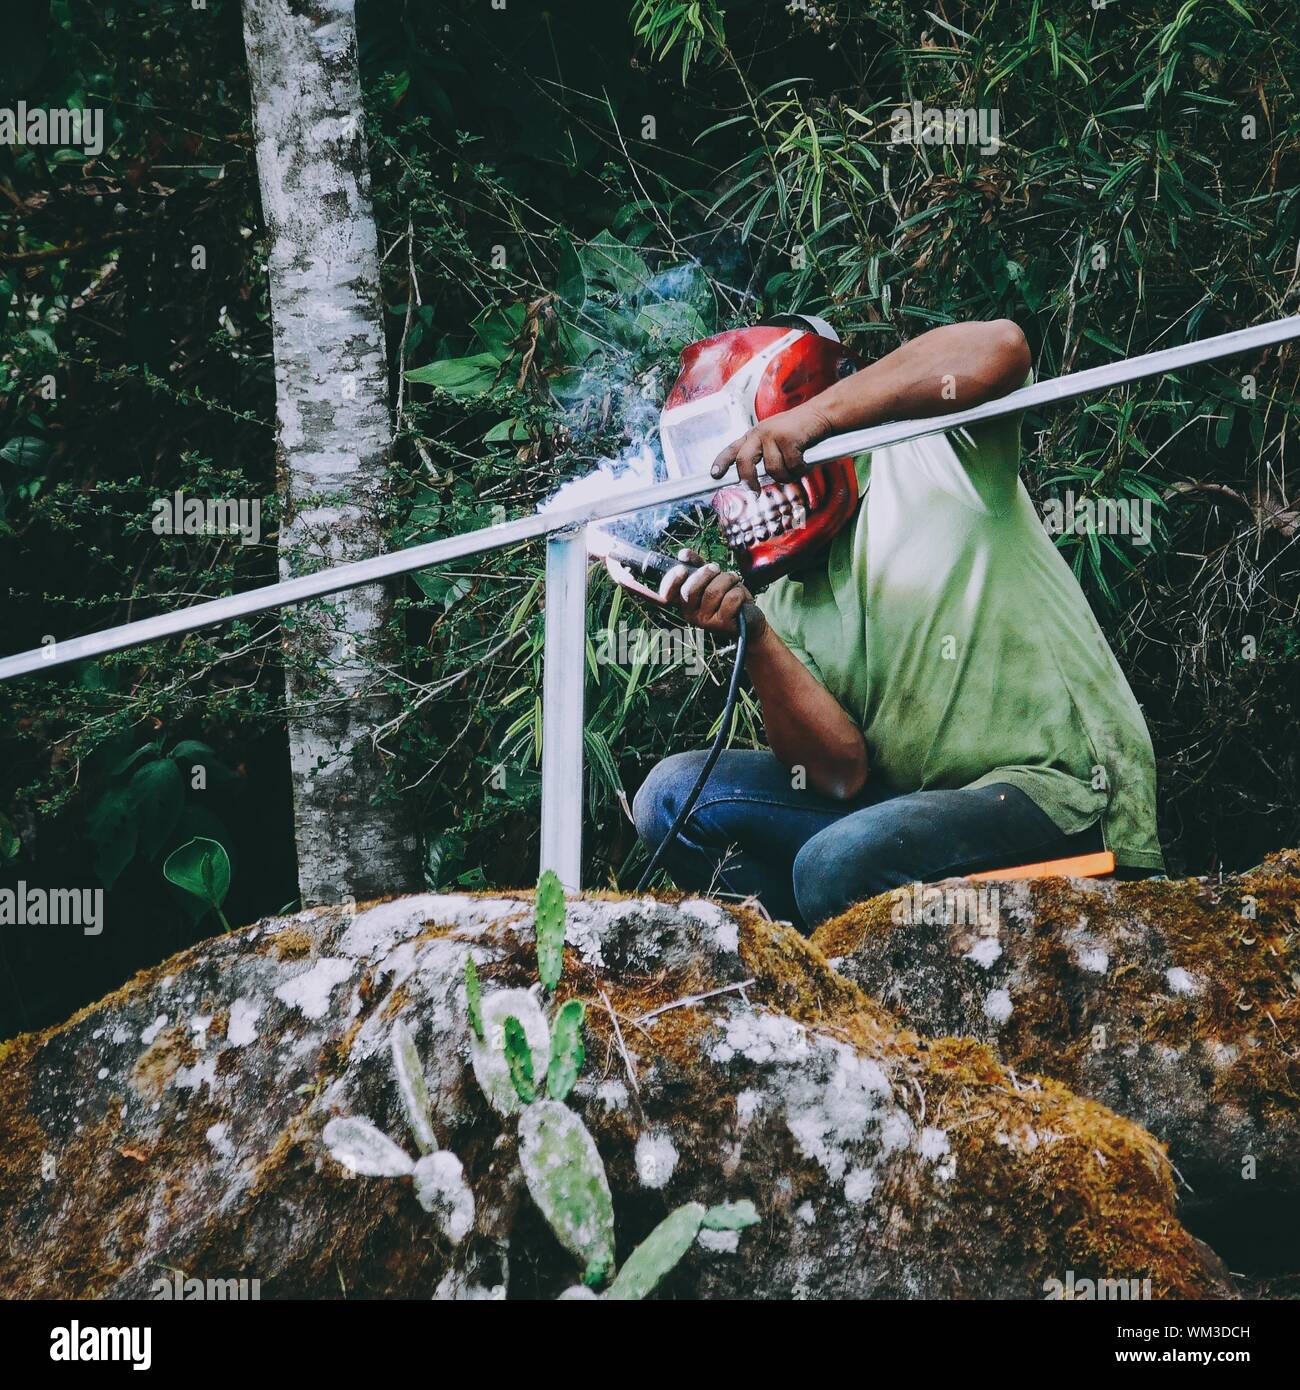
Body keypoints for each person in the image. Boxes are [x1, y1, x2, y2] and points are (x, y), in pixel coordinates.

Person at [633, 319, 1164, 931]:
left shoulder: (931, 452)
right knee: (674, 797)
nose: (745, 487)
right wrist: (752, 636)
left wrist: (817, 421)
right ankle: (803, 984)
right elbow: (838, 772)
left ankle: (839, 989)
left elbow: (1003, 346)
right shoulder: (783, 592)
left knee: (837, 865)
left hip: (1059, 797)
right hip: (908, 819)